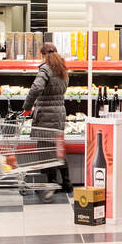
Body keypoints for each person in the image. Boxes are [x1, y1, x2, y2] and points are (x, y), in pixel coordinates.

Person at [23, 42, 71, 197]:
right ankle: (66, 182)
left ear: (43, 55)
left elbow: (36, 88)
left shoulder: (45, 68)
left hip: (45, 115)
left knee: (45, 151)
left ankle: (50, 183)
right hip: (59, 114)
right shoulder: (63, 69)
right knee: (58, 148)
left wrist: (27, 106)